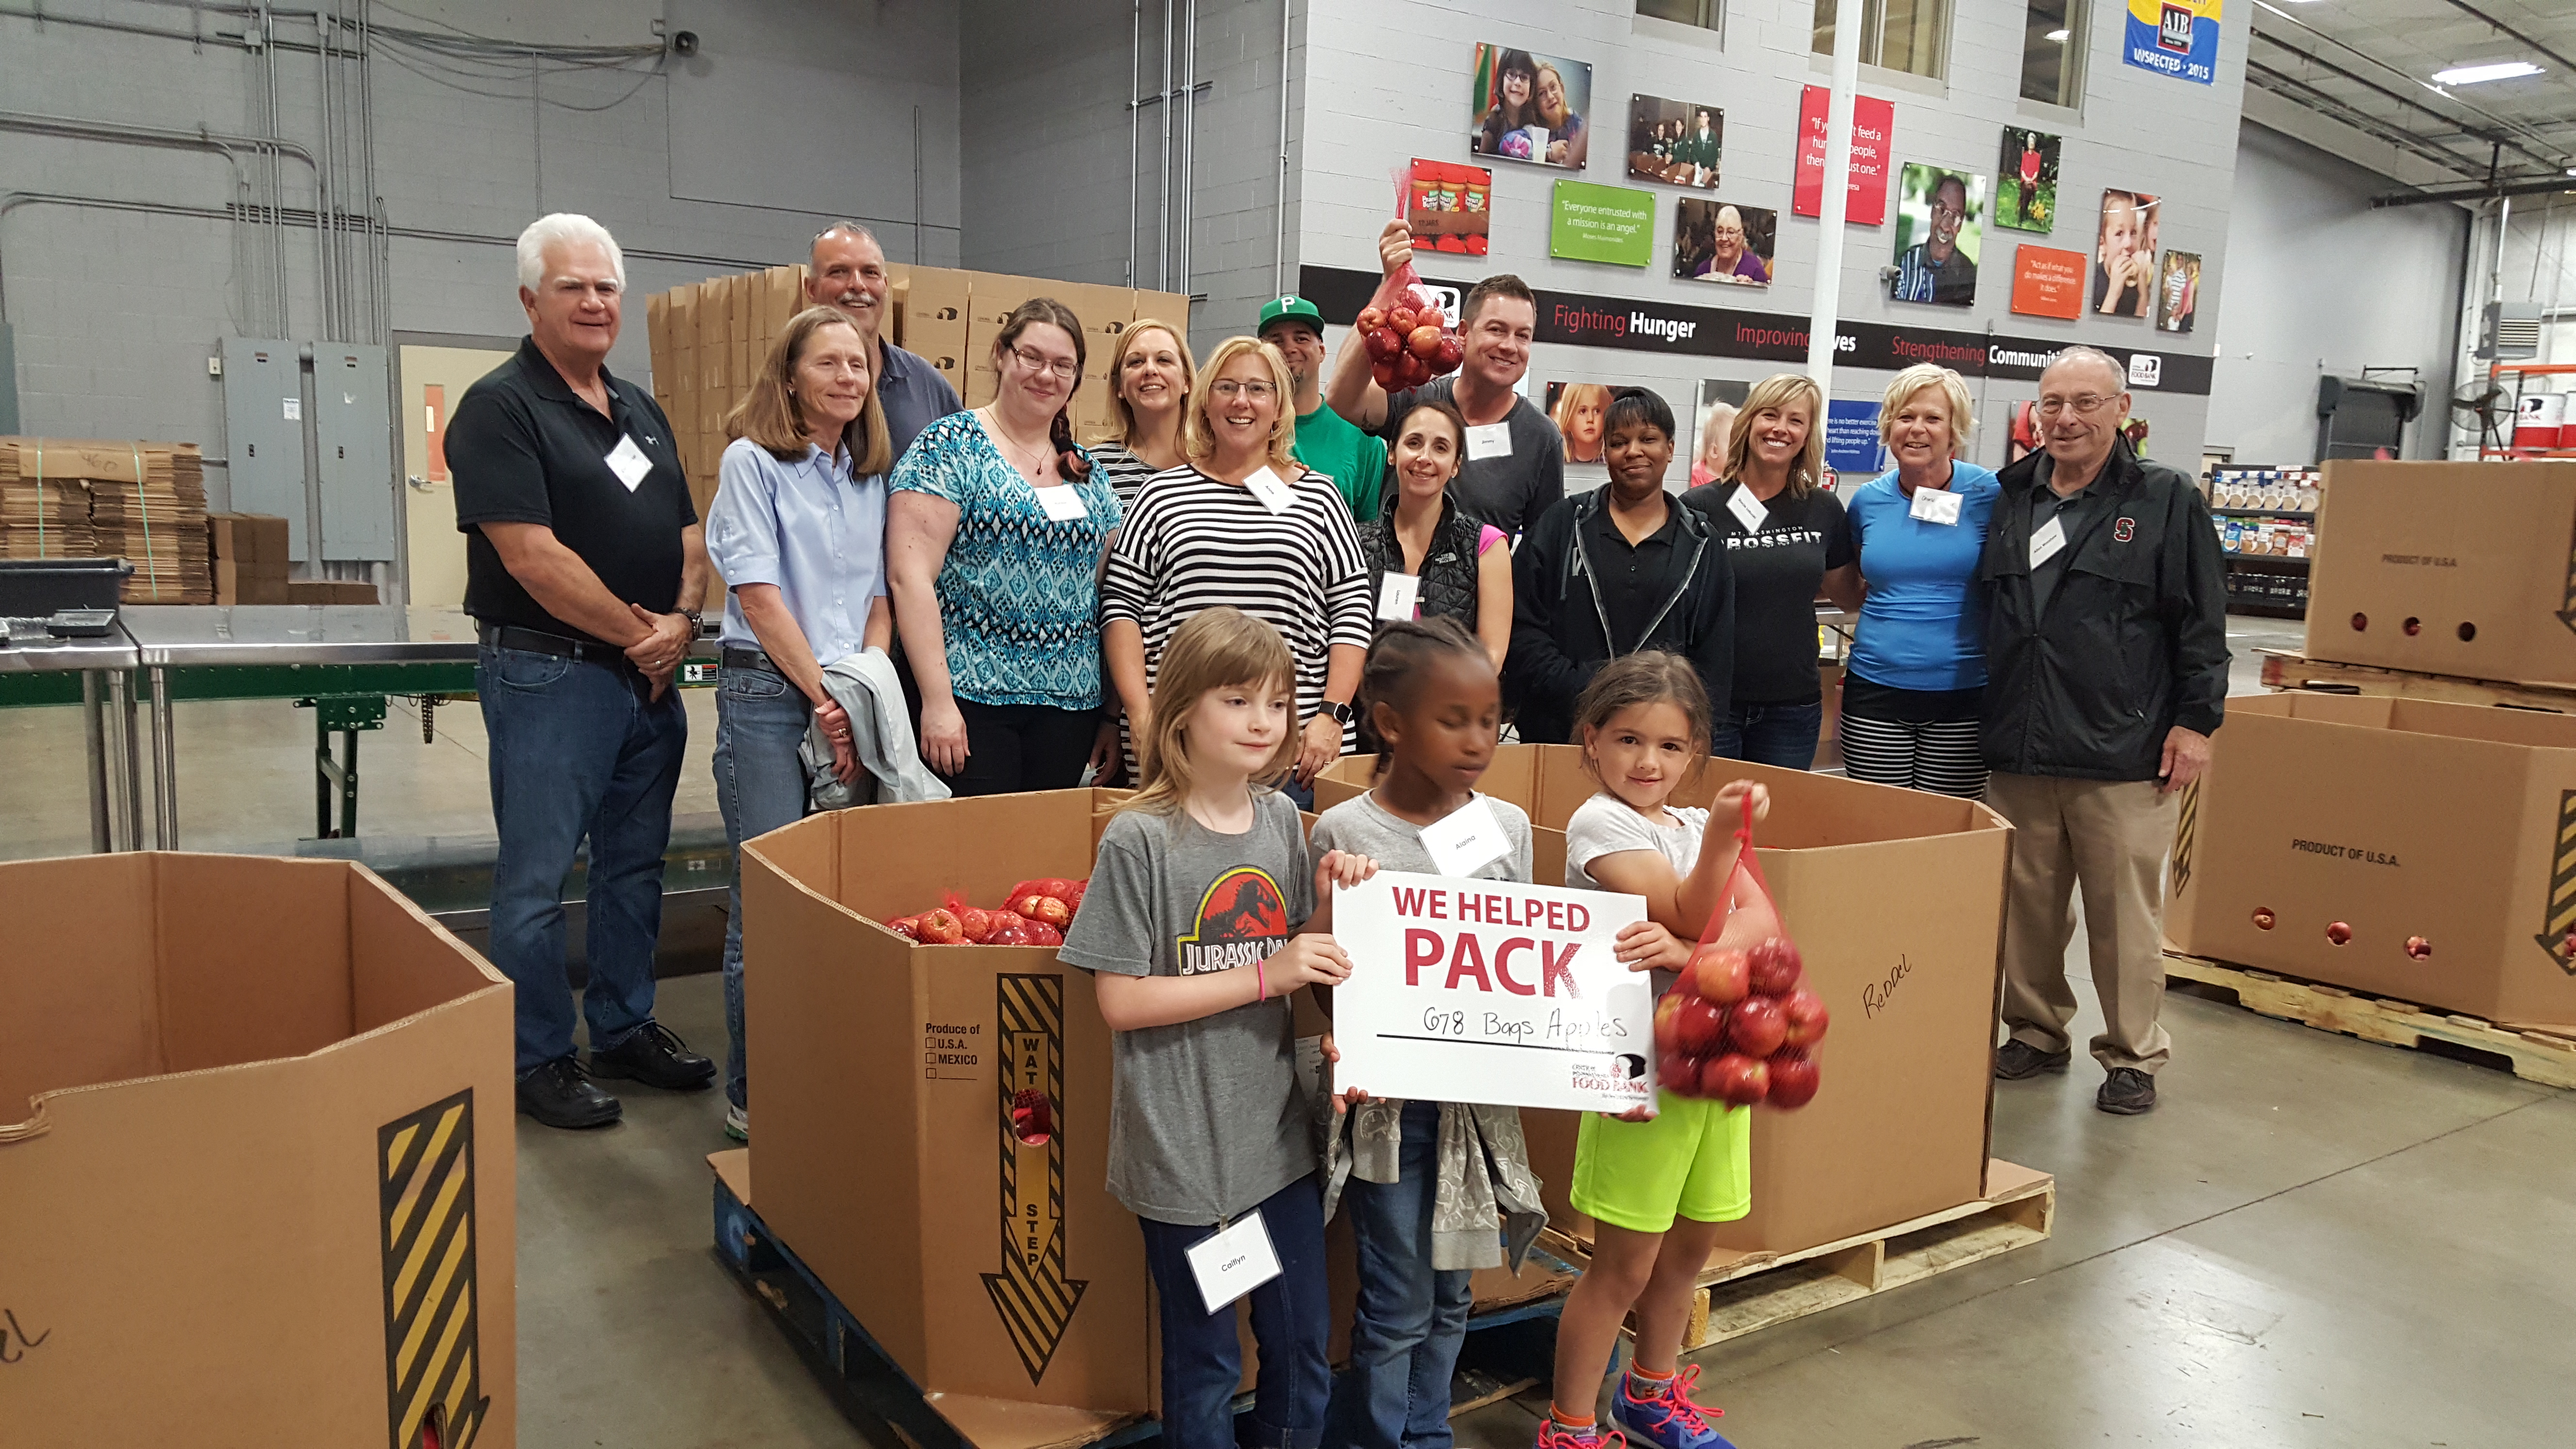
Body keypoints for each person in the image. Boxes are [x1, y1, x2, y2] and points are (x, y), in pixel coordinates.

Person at [1057, 606, 1376, 1449]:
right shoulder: (1138, 839)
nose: (1263, 721)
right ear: (1182, 708)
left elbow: (1299, 945)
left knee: (1302, 1347)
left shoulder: (1279, 820)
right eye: (1238, 700)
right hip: (1183, 1155)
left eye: (1277, 701)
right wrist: (1269, 972)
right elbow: (1119, 1000)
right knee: (1203, 1364)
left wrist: (1338, 897)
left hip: (1276, 1145)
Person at [448, 213, 712, 1130]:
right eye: (574, 286)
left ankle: (624, 1024)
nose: (596, 302)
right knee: (536, 876)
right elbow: (532, 557)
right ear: (531, 300)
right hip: (552, 676)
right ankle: (538, 1054)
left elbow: (687, 533)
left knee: (635, 865)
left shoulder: (637, 407)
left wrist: (679, 620)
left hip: (646, 680)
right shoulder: (501, 408)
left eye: (607, 286)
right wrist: (639, 637)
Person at [1311, 618, 1544, 1449]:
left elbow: (1531, 956)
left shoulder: (1508, 825)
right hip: (1392, 1113)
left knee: (1452, 1293)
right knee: (1399, 1298)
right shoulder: (1344, 834)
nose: (1478, 739)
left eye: (1489, 717)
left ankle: (1426, 1433)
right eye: (1454, 718)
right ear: (1389, 721)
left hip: (1476, 1114)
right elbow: (1320, 976)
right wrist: (1334, 906)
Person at [1981, 346, 2229, 1116]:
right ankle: (2035, 1031)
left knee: (2124, 915)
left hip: (2123, 751)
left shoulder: (2164, 498)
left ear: (2121, 411)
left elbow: (2202, 620)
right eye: (2053, 403)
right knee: (2027, 906)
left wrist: (2196, 723)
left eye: (2086, 403)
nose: (2066, 419)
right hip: (2022, 742)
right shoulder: (2011, 494)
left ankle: (2131, 1054)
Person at [1541, 654, 1771, 1449]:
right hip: (1636, 1069)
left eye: (1671, 747)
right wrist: (1723, 848)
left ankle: (1648, 1394)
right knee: (1624, 1265)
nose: (1649, 762)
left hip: (1715, 1066)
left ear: (1696, 752)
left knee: (1690, 1247)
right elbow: (1691, 905)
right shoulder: (1601, 822)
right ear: (1591, 740)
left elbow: (1760, 927)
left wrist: (1689, 948)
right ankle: (1571, 1425)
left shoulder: (1687, 822)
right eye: (1629, 739)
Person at [703, 305, 896, 1143]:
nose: (847, 378)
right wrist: (824, 695)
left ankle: (825, 1065)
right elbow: (758, 596)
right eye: (829, 364)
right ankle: (759, 1089)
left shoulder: (869, 474)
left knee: (844, 895)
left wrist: (863, 688)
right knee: (772, 900)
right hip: (768, 696)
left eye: (857, 364)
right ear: (791, 377)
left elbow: (881, 599)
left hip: (848, 697)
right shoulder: (753, 462)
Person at [1102, 337, 1373, 805]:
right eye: (1227, 387)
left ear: (1279, 407)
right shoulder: (1160, 496)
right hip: (1180, 745)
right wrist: (1141, 715)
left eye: (1258, 389)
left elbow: (1351, 610)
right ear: (1205, 402)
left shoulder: (1320, 498)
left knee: (1290, 877)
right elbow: (1121, 606)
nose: (1241, 401)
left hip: (1295, 754)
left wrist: (1333, 716)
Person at [886, 298, 1123, 796]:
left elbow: (1102, 588)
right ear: (1000, 354)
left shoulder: (1084, 469)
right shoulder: (947, 447)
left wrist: (1107, 713)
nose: (1045, 375)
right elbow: (909, 578)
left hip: (1068, 707)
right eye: (1030, 357)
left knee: (1043, 862)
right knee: (976, 861)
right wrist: (936, 701)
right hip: (971, 702)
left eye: (1063, 366)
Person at [1509, 389, 1735, 745]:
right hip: (1562, 731)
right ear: (1606, 451)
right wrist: (1588, 694)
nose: (1634, 451)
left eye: (1648, 439)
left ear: (1671, 449)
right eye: (1619, 442)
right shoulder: (1562, 525)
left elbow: (1714, 657)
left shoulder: (1703, 544)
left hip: (1659, 746)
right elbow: (1523, 628)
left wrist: (1677, 723)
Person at [1328, 222, 1564, 539]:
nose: (1510, 346)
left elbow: (1544, 550)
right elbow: (1342, 399)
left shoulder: (1542, 439)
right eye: (1496, 329)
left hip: (1484, 587)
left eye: (1523, 336)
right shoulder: (1416, 398)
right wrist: (1388, 288)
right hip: (1395, 586)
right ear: (1464, 334)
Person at [1681, 373, 1860, 770]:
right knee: (1706, 823)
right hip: (1713, 702)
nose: (1781, 429)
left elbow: (1848, 596)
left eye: (1796, 420)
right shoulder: (1698, 507)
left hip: (1791, 708)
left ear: (1807, 434)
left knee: (1776, 823)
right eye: (1770, 415)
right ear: (1749, 424)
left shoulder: (1824, 509)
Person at [1837, 364, 1998, 799]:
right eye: (1905, 417)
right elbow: (1856, 582)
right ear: (1889, 426)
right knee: (1879, 830)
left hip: (1962, 693)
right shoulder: (1868, 501)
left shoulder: (1989, 494)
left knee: (1947, 836)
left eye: (1933, 418)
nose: (1916, 430)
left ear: (1955, 430)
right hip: (1875, 691)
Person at [1359, 401, 1512, 670]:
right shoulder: (1355, 543)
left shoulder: (1488, 546)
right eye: (1414, 443)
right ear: (1392, 453)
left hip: (1453, 707)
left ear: (1455, 465)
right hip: (1372, 707)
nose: (1424, 458)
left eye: (1441, 448)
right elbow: (1347, 647)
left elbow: (1491, 658)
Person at [804, 221, 962, 463]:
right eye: (839, 272)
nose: (857, 285)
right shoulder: (788, 386)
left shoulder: (927, 385)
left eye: (870, 273)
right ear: (811, 288)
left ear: (886, 286)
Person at [1261, 294, 1387, 520]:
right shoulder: (1244, 427)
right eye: (1277, 341)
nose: (1289, 348)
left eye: (1301, 339)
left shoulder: (1363, 436)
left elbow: (1368, 534)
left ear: (1321, 351)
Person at [1087, 319, 1196, 507]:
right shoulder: (1094, 468)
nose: (1150, 370)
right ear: (1119, 386)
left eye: (1164, 360)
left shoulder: (1216, 461)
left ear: (1186, 381)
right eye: (1136, 362)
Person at [1892, 173, 1977, 306]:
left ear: (1960, 224)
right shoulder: (1906, 261)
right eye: (1941, 210)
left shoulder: (1969, 274)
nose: (1945, 226)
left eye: (1955, 216)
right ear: (1932, 211)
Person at [1472, 48, 1542, 161]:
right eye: (1512, 74)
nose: (1518, 83)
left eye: (1524, 77)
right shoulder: (1495, 121)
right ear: (1501, 79)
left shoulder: (1533, 118)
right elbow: (1481, 164)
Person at [2093, 191, 2153, 318]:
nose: (2128, 243)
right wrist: (2114, 292)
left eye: (2133, 232)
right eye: (2119, 233)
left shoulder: (2140, 283)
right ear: (2102, 243)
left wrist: (2143, 294)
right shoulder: (2094, 281)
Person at [1690, 206, 1768, 286]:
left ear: (1740, 235)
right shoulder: (1703, 269)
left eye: (1731, 232)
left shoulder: (1755, 269)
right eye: (1720, 232)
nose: (1724, 238)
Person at [1535, 62, 1588, 168]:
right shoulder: (1534, 132)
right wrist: (1548, 152)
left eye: (1553, 87)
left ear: (1562, 89)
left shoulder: (1576, 123)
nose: (1550, 97)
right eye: (1541, 93)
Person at [1553, 383, 1610, 465]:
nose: (1590, 419)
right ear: (1568, 418)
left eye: (1597, 411)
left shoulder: (1612, 462)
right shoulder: (1556, 460)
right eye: (1583, 411)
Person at [1687, 401, 1735, 490]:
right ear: (1714, 451)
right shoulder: (1696, 476)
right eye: (1733, 444)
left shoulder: (1735, 475)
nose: (1739, 450)